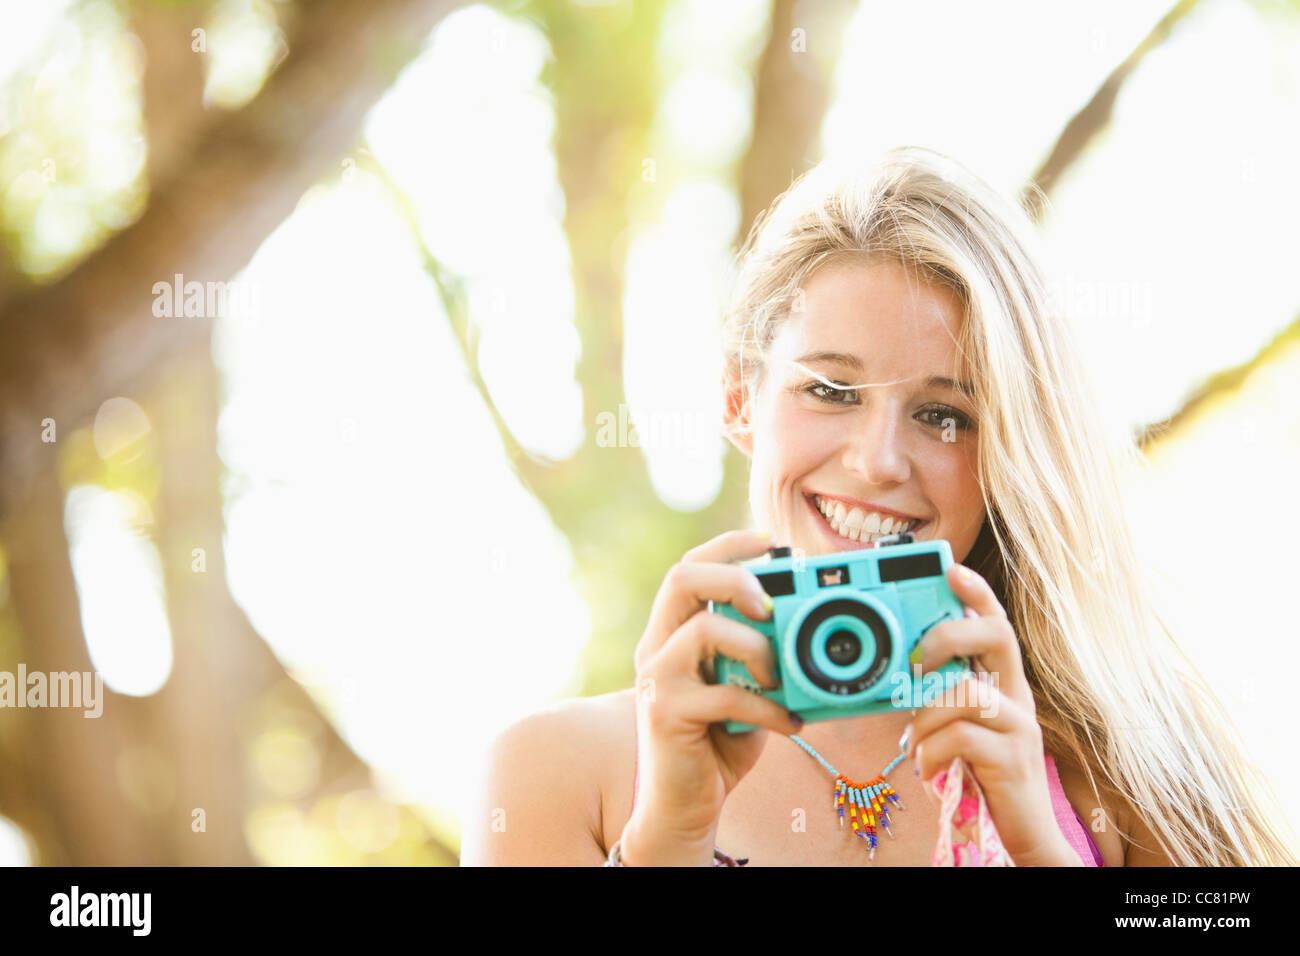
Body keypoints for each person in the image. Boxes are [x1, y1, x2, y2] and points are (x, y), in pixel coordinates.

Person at [460, 146, 1298, 866]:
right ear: (738, 399)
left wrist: (1037, 850)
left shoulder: (1130, 769)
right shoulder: (556, 774)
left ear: (1010, 451)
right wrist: (667, 837)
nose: (879, 460)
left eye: (944, 416)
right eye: (830, 389)